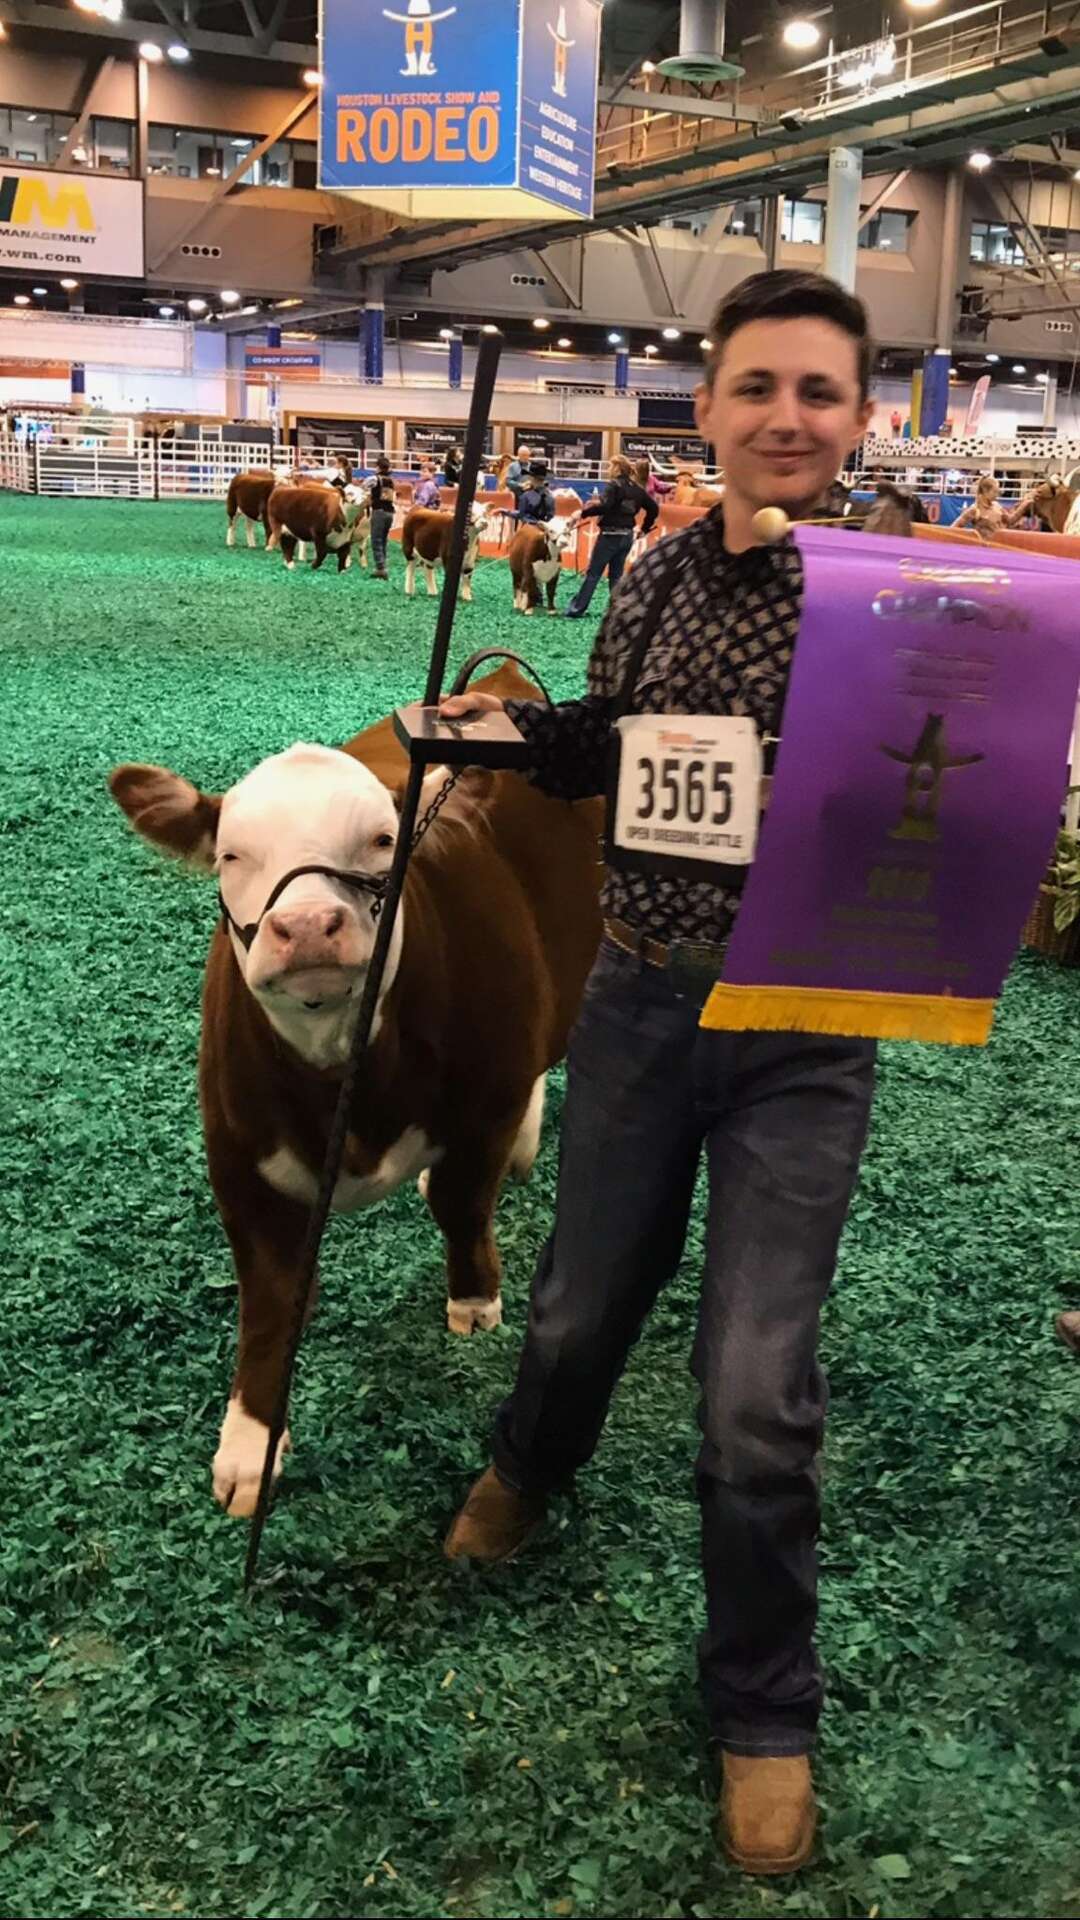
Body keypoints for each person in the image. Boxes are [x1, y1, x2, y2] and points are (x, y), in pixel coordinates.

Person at [440, 269, 881, 1876]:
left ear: (863, 417)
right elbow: (632, 750)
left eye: (819, 392)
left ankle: (765, 1708)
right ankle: (529, 1464)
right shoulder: (650, 580)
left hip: (808, 1034)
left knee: (757, 1395)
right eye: (756, 386)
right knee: (572, 1306)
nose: (787, 416)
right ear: (710, 405)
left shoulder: (907, 599)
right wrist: (547, 747)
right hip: (634, 1001)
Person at [563, 455, 658, 618]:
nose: (608, 470)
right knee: (616, 575)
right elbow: (654, 509)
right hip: (627, 536)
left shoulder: (614, 486)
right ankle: (618, 611)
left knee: (593, 574)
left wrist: (582, 513)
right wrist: (644, 528)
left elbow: (605, 506)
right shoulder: (637, 489)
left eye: (610, 466)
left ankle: (576, 609)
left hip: (609, 535)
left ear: (617, 468)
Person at [953, 473, 1033, 539]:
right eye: (995, 491)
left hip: (998, 546)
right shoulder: (974, 510)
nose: (997, 494)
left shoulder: (997, 506)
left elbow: (1010, 520)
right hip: (983, 549)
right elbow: (955, 527)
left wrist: (1025, 504)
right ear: (985, 491)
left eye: (998, 491)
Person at [364, 453, 396, 581]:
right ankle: (383, 565)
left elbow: (363, 486)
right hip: (390, 512)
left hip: (379, 511)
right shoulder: (391, 481)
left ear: (378, 467)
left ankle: (380, 568)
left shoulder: (375, 479)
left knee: (376, 540)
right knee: (383, 540)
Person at [516, 458, 556, 525]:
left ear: (531, 478)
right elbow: (551, 516)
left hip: (529, 529)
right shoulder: (551, 497)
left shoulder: (526, 496)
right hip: (544, 528)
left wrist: (505, 512)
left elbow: (521, 516)